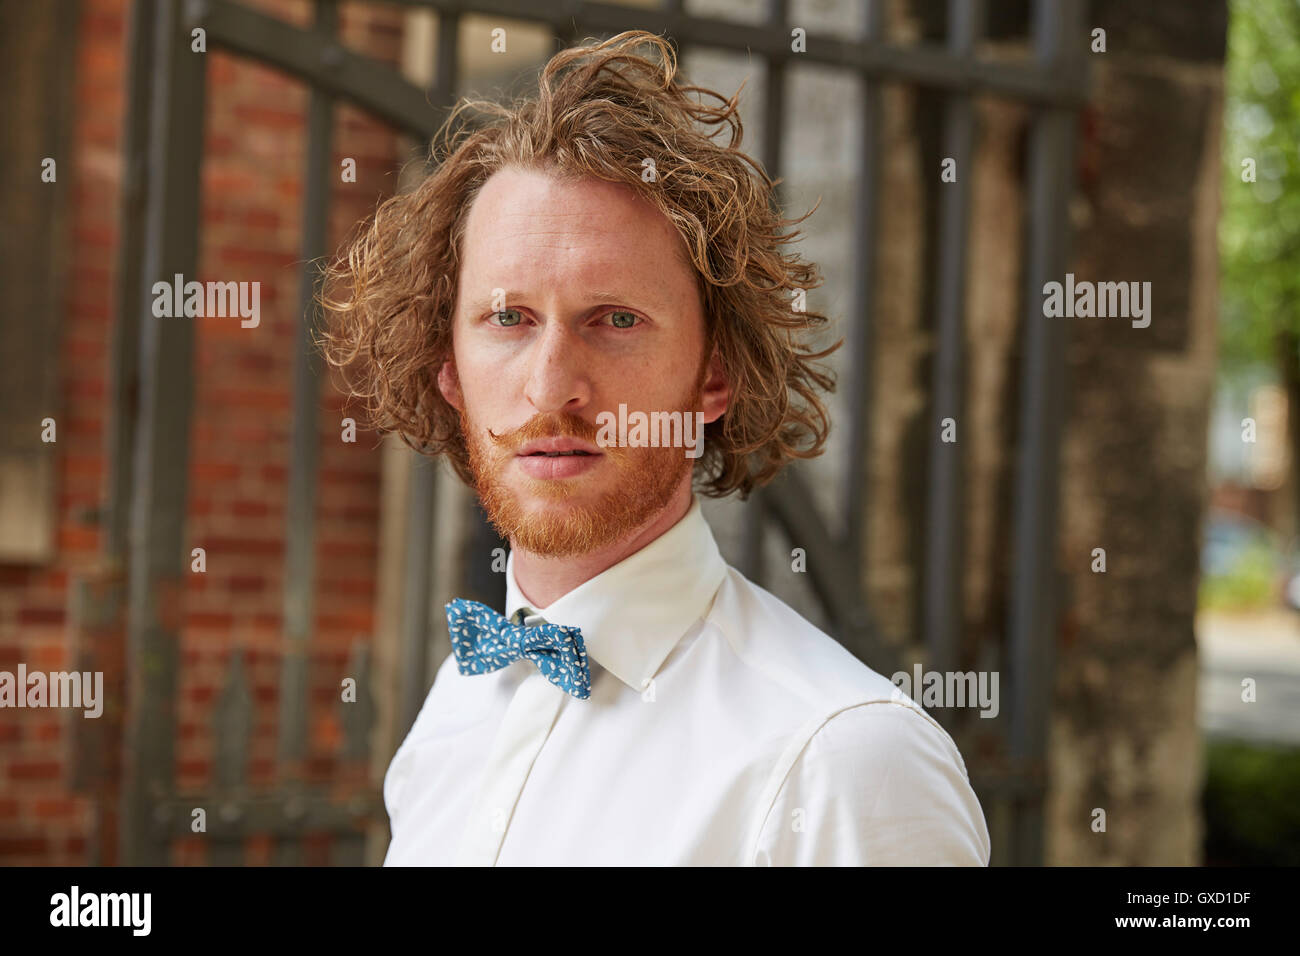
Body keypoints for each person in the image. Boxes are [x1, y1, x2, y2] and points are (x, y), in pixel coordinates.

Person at [321, 29, 990, 866]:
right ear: (447, 367)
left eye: (617, 321)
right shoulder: (461, 701)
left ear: (715, 375)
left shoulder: (841, 765)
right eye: (507, 318)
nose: (551, 385)